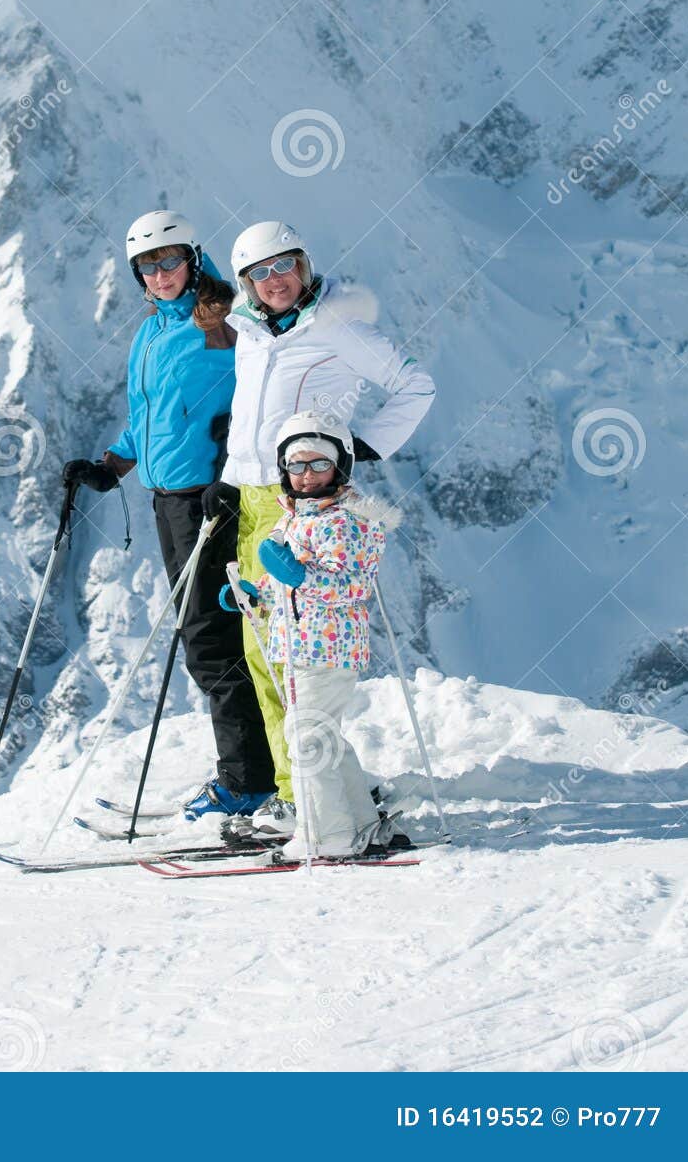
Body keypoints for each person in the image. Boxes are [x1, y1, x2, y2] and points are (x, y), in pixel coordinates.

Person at [204, 220, 435, 843]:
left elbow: (416, 384)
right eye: (260, 273)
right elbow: (253, 416)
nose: (276, 280)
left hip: (302, 503)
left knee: (281, 655)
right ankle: (305, 789)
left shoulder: (337, 326)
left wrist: (363, 446)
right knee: (261, 650)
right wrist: (229, 479)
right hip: (253, 499)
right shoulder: (251, 330)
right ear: (246, 284)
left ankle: (297, 795)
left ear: (304, 265)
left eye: (286, 265)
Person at [63, 209, 274, 821]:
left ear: (193, 259)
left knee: (212, 638)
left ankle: (250, 780)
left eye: (169, 261)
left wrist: (230, 472)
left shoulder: (225, 323)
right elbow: (149, 416)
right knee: (203, 633)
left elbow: (258, 400)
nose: (160, 275)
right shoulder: (152, 332)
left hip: (214, 501)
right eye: (147, 268)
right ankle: (252, 770)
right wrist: (112, 465)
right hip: (169, 504)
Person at [236, 412, 403, 859]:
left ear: (339, 466)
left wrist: (297, 574)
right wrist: (255, 594)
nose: (306, 475)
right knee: (322, 736)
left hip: (329, 645)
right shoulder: (295, 518)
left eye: (319, 464)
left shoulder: (346, 522)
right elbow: (285, 585)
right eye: (296, 464)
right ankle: (361, 823)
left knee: (306, 737)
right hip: (300, 645)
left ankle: (327, 835)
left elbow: (351, 586)